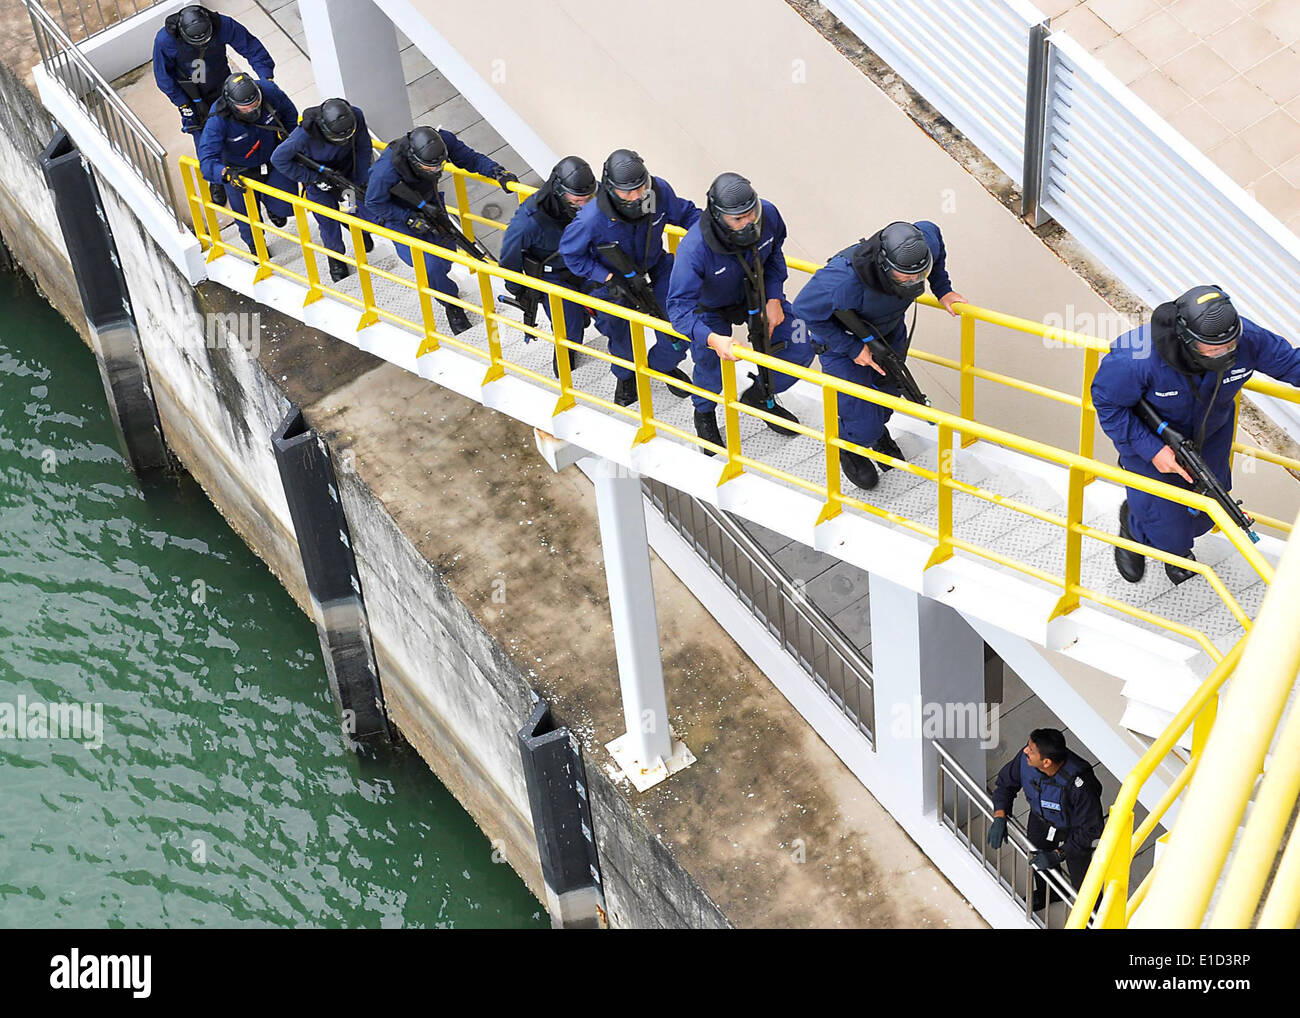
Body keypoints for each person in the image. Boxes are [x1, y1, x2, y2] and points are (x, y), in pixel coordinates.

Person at [1092, 285, 1300, 584]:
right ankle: (1138, 529)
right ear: (1187, 339)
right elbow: (1108, 404)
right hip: (1150, 444)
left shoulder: (1246, 339)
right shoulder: (1137, 357)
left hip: (1210, 440)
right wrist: (1152, 450)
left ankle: (1157, 529)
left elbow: (1292, 363)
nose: (1226, 353)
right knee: (1167, 527)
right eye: (1214, 350)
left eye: (1230, 346)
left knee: (1210, 513)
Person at [792, 221, 965, 491]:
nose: (915, 282)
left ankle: (875, 430)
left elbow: (936, 234)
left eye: (921, 274)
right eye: (906, 278)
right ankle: (849, 446)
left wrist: (942, 288)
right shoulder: (843, 279)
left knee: (889, 396)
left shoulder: (924, 241)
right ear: (885, 264)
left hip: (888, 334)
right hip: (843, 345)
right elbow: (803, 309)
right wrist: (853, 349)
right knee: (861, 419)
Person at [667, 172, 815, 452]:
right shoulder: (694, 248)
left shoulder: (768, 214)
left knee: (801, 341)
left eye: (752, 213)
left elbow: (774, 254)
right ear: (719, 216)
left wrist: (774, 297)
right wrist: (712, 338)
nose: (749, 222)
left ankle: (761, 396)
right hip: (709, 307)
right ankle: (704, 413)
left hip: (756, 293)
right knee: (710, 368)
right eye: (739, 219)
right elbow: (678, 308)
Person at [559, 149, 700, 406]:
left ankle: (660, 366)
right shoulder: (592, 218)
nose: (636, 196)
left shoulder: (653, 195)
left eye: (640, 187)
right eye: (628, 191)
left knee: (680, 328)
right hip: (614, 284)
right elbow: (571, 255)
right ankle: (626, 376)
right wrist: (607, 276)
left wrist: (712, 236)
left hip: (655, 269)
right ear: (611, 188)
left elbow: (687, 214)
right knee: (619, 334)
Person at [366, 126, 517, 335]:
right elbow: (373, 203)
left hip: (430, 206)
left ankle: (442, 286)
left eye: (440, 165)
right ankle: (451, 304)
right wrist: (407, 218)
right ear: (414, 159)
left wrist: (498, 172)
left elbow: (471, 159)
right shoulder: (386, 172)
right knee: (430, 268)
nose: (437, 170)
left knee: (447, 253)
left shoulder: (442, 142)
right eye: (431, 167)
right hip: (399, 216)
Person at [152, 4, 275, 207]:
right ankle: (215, 179)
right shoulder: (165, 40)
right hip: (191, 96)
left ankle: (258, 165)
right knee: (203, 137)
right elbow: (164, 78)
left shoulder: (223, 24)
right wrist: (183, 104)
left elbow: (251, 47)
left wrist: (265, 79)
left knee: (246, 125)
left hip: (222, 86)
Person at [500, 156, 598, 375]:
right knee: (568, 330)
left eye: (588, 198)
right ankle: (565, 362)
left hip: (588, 263)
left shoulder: (592, 196)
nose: (584, 204)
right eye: (577, 200)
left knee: (613, 315)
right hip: (555, 275)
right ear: (559, 191)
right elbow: (509, 257)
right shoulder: (529, 221)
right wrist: (518, 288)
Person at [988, 728, 1104, 910]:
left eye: (1031, 750)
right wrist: (1000, 815)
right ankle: (1051, 893)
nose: (1026, 750)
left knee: (1085, 883)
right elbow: (1005, 783)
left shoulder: (1080, 785)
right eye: (1028, 746)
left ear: (1047, 762)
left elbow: (1091, 829)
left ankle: (1095, 918)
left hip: (1074, 832)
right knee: (1039, 860)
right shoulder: (1026, 760)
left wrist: (1058, 854)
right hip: (1041, 821)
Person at [271, 98, 375, 282]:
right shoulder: (304, 134)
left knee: (351, 210)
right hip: (319, 183)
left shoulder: (355, 116)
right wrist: (313, 178)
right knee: (328, 223)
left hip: (345, 177)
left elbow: (363, 147)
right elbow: (279, 159)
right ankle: (336, 259)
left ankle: (359, 233)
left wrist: (357, 180)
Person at [197, 74, 297, 255]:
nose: (253, 110)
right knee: (247, 221)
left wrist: (289, 144)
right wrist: (224, 174)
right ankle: (255, 247)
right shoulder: (218, 119)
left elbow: (290, 115)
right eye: (246, 107)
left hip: (271, 160)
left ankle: (275, 209)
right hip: (240, 173)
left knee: (288, 206)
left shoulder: (270, 92)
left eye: (255, 104)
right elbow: (206, 160)